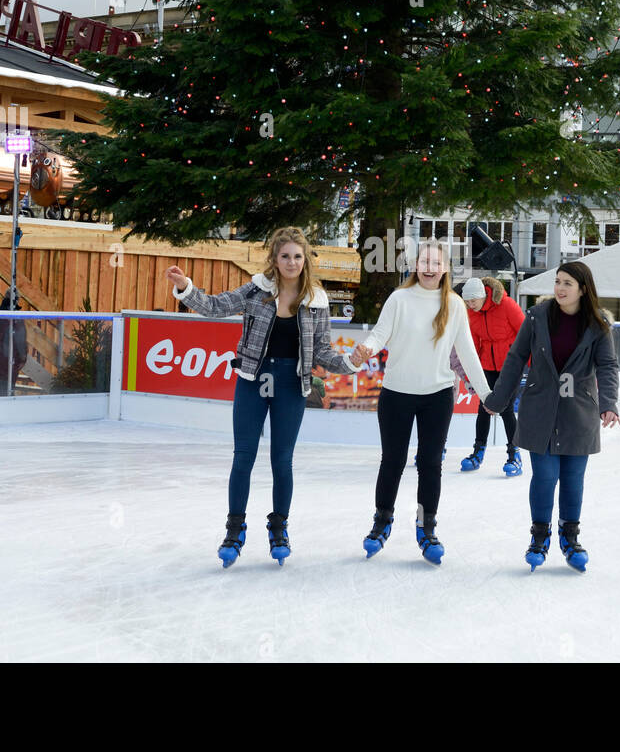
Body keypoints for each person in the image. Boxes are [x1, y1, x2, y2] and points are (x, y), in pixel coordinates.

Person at [166, 226, 358, 568]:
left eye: (297, 256)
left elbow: (324, 351)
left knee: (282, 461)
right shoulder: (257, 290)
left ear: (305, 260)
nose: (291, 262)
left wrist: (348, 363)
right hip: (253, 379)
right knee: (243, 456)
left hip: (291, 383)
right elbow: (214, 306)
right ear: (274, 258)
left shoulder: (316, 300)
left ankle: (279, 528)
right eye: (285, 256)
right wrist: (186, 288)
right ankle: (235, 529)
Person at [350, 241, 492, 565]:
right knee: (393, 460)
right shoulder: (399, 299)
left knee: (430, 463)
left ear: (445, 268)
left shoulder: (454, 305)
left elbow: (467, 353)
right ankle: (382, 521)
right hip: (396, 393)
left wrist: (486, 394)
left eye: (435, 262)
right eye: (424, 261)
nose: (429, 267)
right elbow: (378, 335)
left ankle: (426, 527)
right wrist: (365, 351)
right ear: (415, 265)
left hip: (438, 396)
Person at [482, 261, 620, 573]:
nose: (559, 288)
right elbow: (517, 357)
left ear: (583, 289)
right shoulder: (537, 316)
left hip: (579, 412)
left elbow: (608, 366)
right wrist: (500, 397)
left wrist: (609, 403)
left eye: (567, 283)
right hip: (540, 408)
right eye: (558, 281)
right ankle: (539, 537)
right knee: (545, 476)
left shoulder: (598, 325)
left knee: (573, 478)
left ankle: (570, 539)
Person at [457, 276, 526, 475]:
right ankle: (478, 452)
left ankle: (515, 454)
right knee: (484, 407)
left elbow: (525, 333)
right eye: (467, 302)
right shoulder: (472, 313)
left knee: (504, 409)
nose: (470, 305)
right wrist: (472, 372)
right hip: (487, 365)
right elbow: (474, 342)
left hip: (510, 366)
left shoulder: (506, 305)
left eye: (473, 301)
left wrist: (531, 364)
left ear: (483, 296)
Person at [0, 289, 28, 397]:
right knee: (7, 387)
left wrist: (23, 357)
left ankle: (5, 408)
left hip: (3, 357)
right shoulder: (11, 316)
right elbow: (20, 338)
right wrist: (23, 357)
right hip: (6, 357)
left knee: (6, 387)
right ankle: (5, 408)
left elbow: (21, 338)